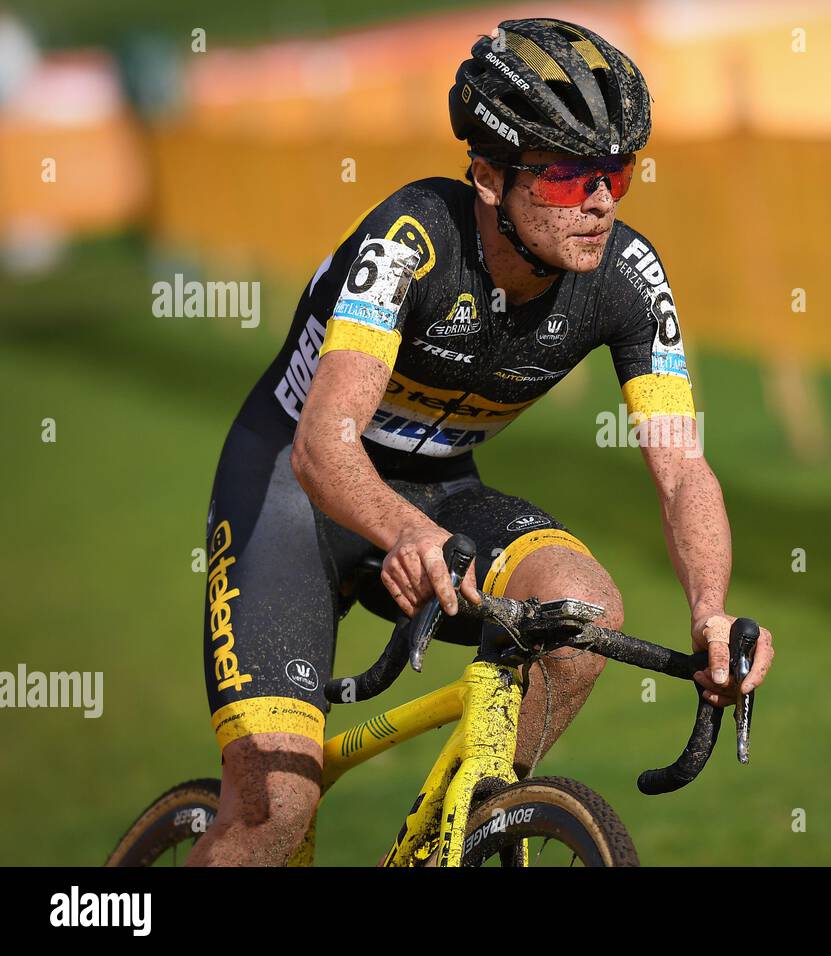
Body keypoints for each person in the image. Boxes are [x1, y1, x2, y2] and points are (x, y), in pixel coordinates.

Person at [188, 17, 774, 866]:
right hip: (291, 488)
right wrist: (406, 533)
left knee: (584, 611)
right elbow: (324, 445)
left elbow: (683, 468)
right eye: (570, 178)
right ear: (490, 179)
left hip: (440, 488)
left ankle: (467, 829)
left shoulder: (629, 277)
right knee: (275, 809)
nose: (602, 202)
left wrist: (711, 613)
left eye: (618, 173)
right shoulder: (412, 240)